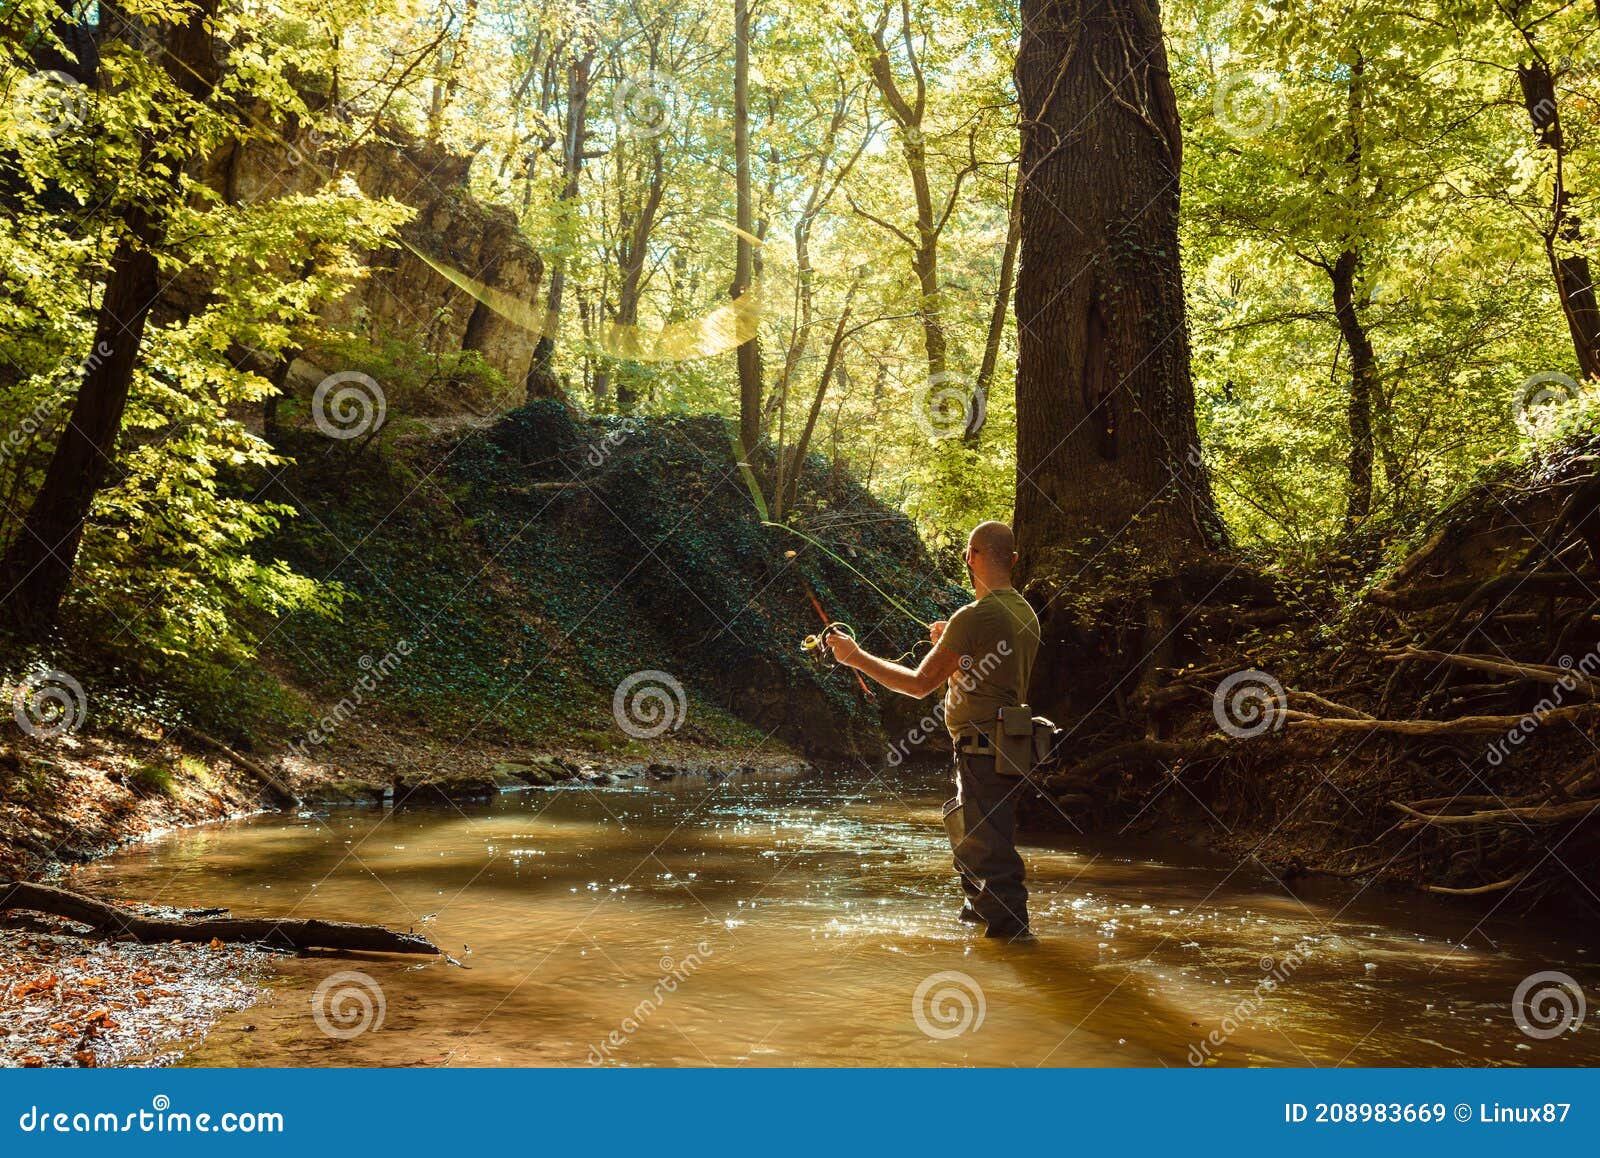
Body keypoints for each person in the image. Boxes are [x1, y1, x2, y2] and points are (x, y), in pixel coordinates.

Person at [826, 520, 1041, 940]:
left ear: (969, 557)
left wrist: (855, 657)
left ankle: (1016, 943)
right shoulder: (1024, 612)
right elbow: (994, 670)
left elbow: (918, 684)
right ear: (1013, 560)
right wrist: (957, 649)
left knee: (990, 856)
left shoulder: (974, 616)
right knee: (975, 847)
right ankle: (982, 941)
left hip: (981, 749)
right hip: (1006, 747)